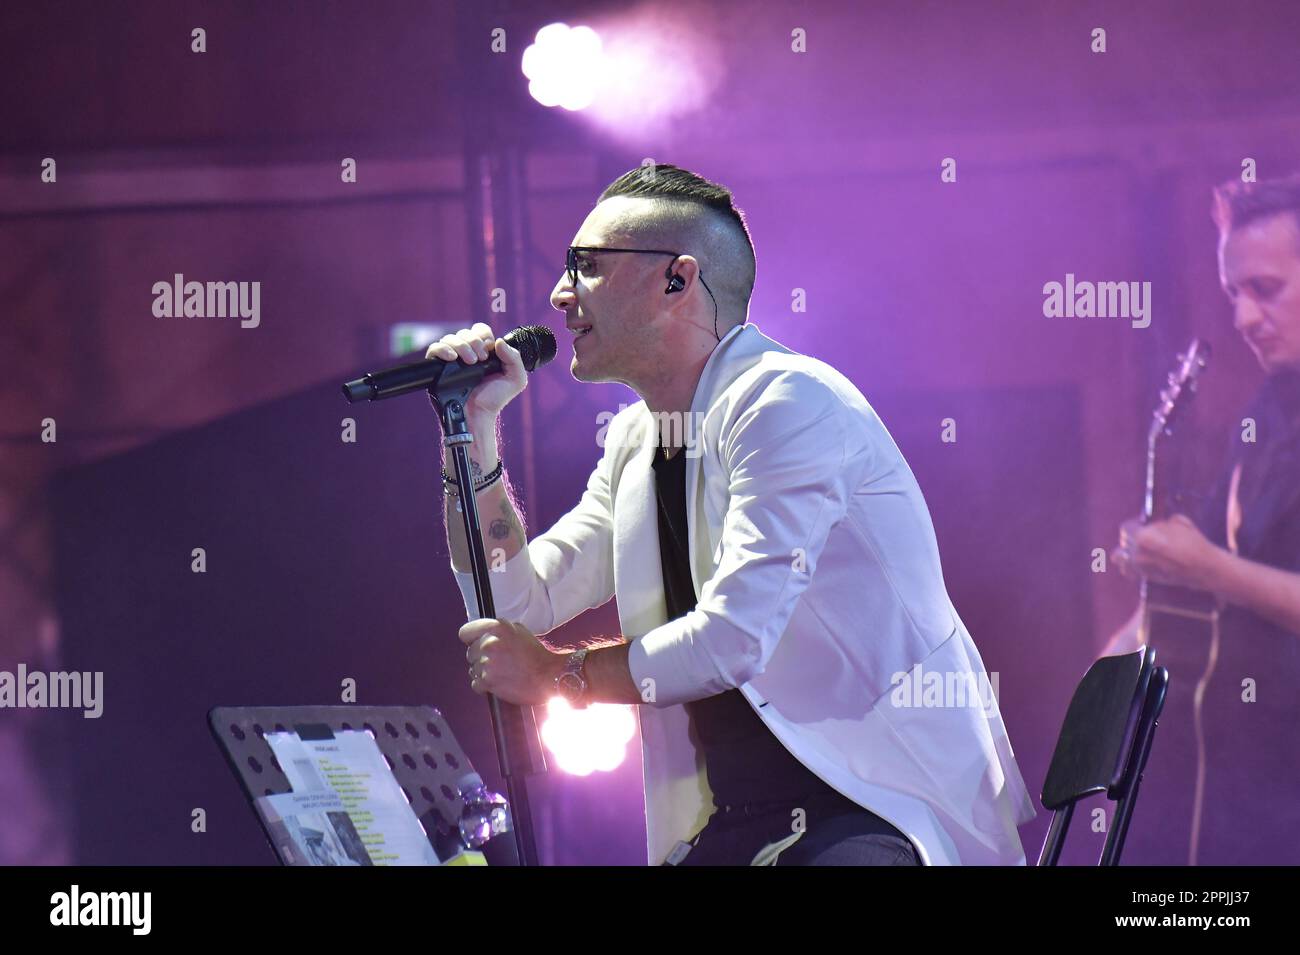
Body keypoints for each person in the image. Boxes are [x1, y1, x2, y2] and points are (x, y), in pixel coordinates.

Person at [432, 163, 1034, 866]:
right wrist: (472, 431)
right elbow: (512, 603)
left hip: (874, 806)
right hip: (739, 820)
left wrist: (560, 678)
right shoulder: (638, 438)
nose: (560, 293)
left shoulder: (788, 404)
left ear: (677, 280)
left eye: (588, 266)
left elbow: (731, 639)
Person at [1105, 174, 1300, 864]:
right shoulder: (1268, 413)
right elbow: (1203, 571)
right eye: (1232, 295)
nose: (1244, 317)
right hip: (1243, 794)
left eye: (1266, 289)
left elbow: (1214, 566)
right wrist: (1103, 674)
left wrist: (1208, 565)